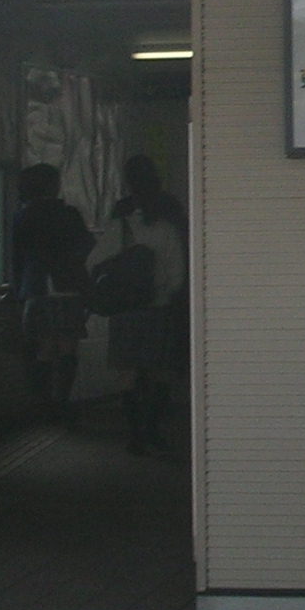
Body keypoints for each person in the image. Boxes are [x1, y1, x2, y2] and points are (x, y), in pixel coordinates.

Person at [104, 154, 188, 454]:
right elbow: (178, 272)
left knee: (128, 373)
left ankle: (134, 433)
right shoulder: (169, 216)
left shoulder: (121, 217)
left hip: (125, 309)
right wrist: (168, 293)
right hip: (159, 308)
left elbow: (100, 262)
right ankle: (152, 429)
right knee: (159, 371)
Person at [9, 163, 93, 412]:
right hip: (68, 287)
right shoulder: (69, 214)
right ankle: (62, 402)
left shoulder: (24, 215)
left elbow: (17, 258)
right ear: (53, 186)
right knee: (68, 345)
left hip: (36, 287)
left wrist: (17, 291)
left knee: (44, 347)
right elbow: (87, 244)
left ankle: (43, 404)